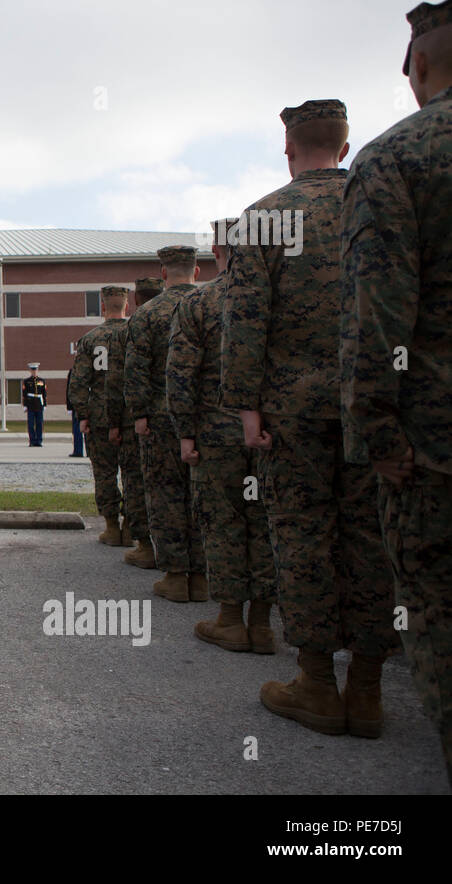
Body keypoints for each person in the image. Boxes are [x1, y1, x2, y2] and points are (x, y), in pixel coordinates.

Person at [224, 98, 399, 737]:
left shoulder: (265, 219)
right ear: (346, 148)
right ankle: (371, 689)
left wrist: (246, 407)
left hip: (292, 413)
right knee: (372, 538)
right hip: (376, 403)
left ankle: (318, 683)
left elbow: (245, 325)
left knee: (300, 537)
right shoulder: (380, 198)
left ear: (289, 149)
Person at [341, 0, 452, 774]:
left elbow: (381, 315)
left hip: (435, 450)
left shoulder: (398, 157)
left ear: (415, 67)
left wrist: (377, 433)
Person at [168, 221, 275, 653]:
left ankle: (231, 618)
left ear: (214, 250)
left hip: (216, 434)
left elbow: (180, 375)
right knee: (266, 522)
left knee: (225, 523)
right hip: (270, 432)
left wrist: (185, 434)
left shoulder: (200, 301)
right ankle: (264, 624)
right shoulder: (273, 298)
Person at [126, 246, 206, 602]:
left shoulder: (147, 312)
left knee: (165, 494)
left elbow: (136, 369)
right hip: (207, 420)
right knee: (204, 497)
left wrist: (139, 414)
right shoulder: (212, 303)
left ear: (162, 273)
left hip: (159, 420)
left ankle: (176, 576)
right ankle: (203, 577)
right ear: (197, 271)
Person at [68, 286, 134, 547]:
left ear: (103, 306)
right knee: (132, 473)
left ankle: (110, 527)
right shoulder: (135, 334)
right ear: (126, 306)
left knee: (105, 472)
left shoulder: (90, 339)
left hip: (99, 415)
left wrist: (82, 414)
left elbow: (79, 382)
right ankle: (131, 527)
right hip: (130, 414)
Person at [105, 276, 163, 568]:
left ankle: (144, 545)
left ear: (136, 300)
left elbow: (118, 382)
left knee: (137, 482)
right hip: (185, 419)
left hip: (138, 421)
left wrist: (115, 421)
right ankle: (190, 567)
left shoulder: (130, 329)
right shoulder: (192, 309)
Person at [22, 364, 46, 446]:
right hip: (31, 403)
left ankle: (39, 441)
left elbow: (44, 393)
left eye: (35, 370)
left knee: (39, 423)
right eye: (32, 370)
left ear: (37, 370)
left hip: (39, 403)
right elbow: (24, 394)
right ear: (30, 371)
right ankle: (32, 440)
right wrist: (25, 405)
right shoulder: (27, 381)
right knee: (31, 424)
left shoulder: (41, 381)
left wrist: (44, 404)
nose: (34, 372)